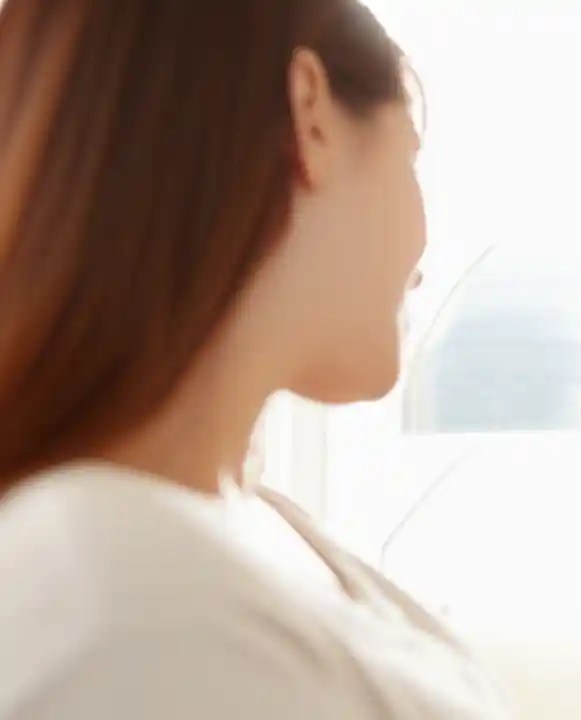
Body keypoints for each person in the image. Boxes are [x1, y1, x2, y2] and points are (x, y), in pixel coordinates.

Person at [0, 1, 510, 718]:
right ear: (311, 116)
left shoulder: (254, 530)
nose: (425, 251)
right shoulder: (118, 601)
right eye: (413, 154)